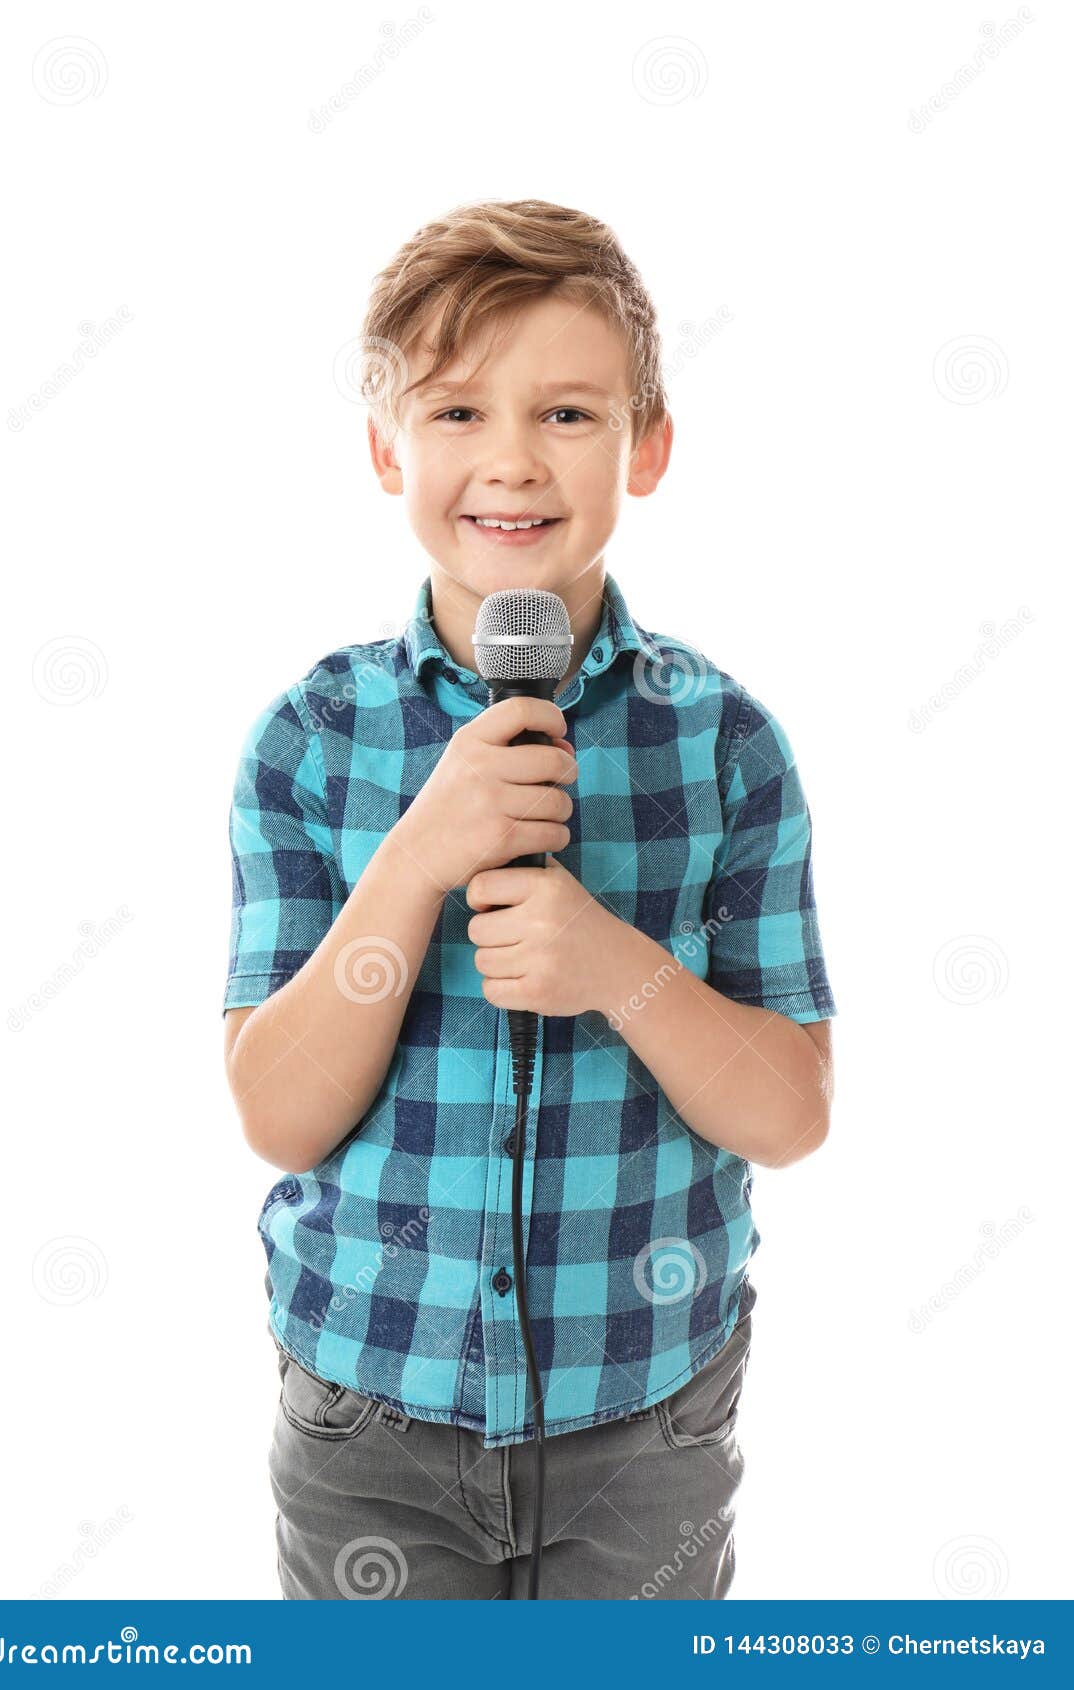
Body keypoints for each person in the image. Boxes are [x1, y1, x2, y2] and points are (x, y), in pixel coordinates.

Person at [222, 198, 837, 1601]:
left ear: (647, 445)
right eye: (456, 412)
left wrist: (619, 967)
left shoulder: (724, 743)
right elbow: (278, 1116)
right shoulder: (311, 740)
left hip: (646, 1418)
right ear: (386, 448)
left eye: (566, 413)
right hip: (369, 1408)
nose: (510, 459)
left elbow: (791, 1114)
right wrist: (412, 861)